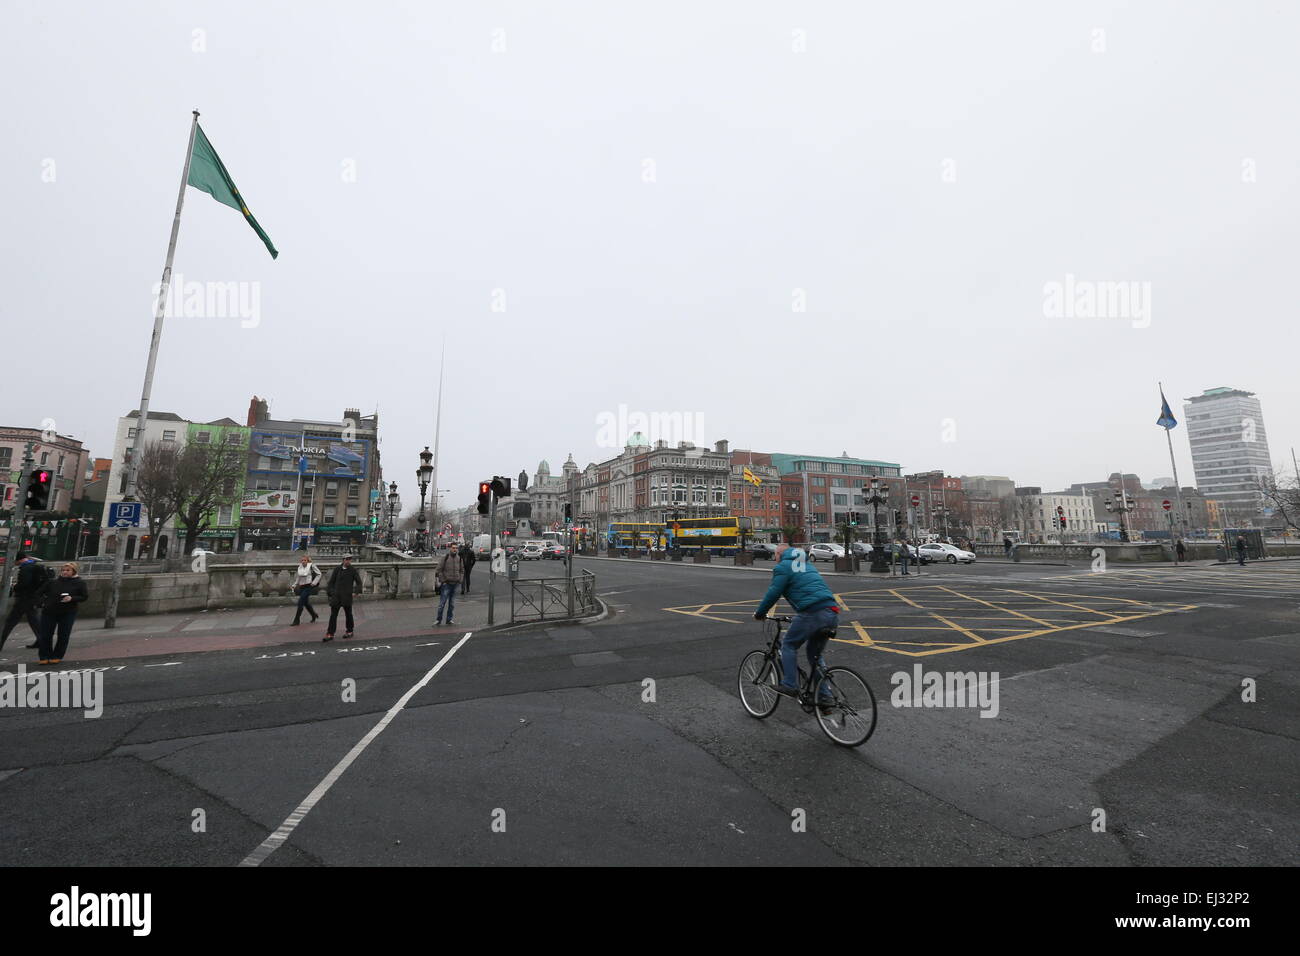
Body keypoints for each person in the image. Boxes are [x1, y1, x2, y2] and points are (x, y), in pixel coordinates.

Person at [752, 544, 840, 709]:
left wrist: (760, 613)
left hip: (813, 612)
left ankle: (790, 685)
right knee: (814, 655)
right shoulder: (807, 565)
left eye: (775, 555)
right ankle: (825, 698)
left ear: (780, 554)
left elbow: (773, 593)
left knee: (789, 644)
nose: (774, 558)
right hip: (832, 612)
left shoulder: (783, 567)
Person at [36, 562, 88, 665]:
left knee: (63, 635)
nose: (65, 572)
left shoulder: (80, 583)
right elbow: (38, 593)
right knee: (45, 635)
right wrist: (42, 603)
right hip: (49, 611)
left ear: (74, 571)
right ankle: (44, 656)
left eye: (68, 570)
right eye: (63, 570)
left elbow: (84, 596)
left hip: (68, 612)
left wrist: (72, 598)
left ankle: (57, 655)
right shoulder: (52, 582)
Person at [1, 552, 46, 652]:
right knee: (34, 621)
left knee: (10, 622)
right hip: (34, 598)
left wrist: (14, 587)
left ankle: (1, 642)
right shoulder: (34, 566)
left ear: (19, 559)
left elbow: (24, 584)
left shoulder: (25, 568)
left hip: (24, 599)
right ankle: (42, 642)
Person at [323, 555, 362, 641]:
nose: (348, 561)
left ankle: (349, 631)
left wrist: (356, 592)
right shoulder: (337, 569)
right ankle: (330, 633)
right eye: (347, 559)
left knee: (348, 614)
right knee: (333, 615)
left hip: (347, 596)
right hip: (336, 596)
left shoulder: (352, 570)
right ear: (343, 560)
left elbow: (359, 582)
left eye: (349, 560)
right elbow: (331, 582)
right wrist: (331, 592)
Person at [434, 546, 464, 626]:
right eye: (453, 548)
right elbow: (439, 570)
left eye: (456, 548)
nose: (455, 549)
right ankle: (438, 619)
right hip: (446, 584)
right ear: (450, 549)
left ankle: (449, 619)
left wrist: (460, 580)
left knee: (452, 604)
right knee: (442, 603)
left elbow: (462, 570)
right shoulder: (445, 557)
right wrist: (443, 580)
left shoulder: (459, 559)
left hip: (455, 584)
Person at [291, 553, 321, 626]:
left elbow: (319, 574)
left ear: (307, 561)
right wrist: (294, 585)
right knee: (306, 603)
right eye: (302, 560)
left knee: (300, 603)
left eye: (305, 560)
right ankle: (313, 615)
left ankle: (296, 620)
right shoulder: (300, 567)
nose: (303, 561)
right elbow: (298, 577)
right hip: (302, 587)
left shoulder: (311, 566)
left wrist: (313, 583)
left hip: (308, 587)